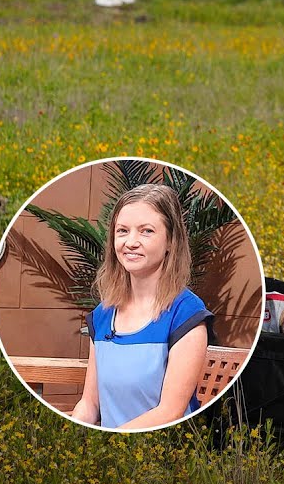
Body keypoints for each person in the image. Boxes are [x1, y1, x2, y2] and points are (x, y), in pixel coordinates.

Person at [71, 183, 213, 430]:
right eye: (122, 231)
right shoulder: (102, 314)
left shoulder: (186, 314)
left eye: (146, 231)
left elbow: (170, 412)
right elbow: (90, 404)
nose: (131, 242)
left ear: (171, 241)